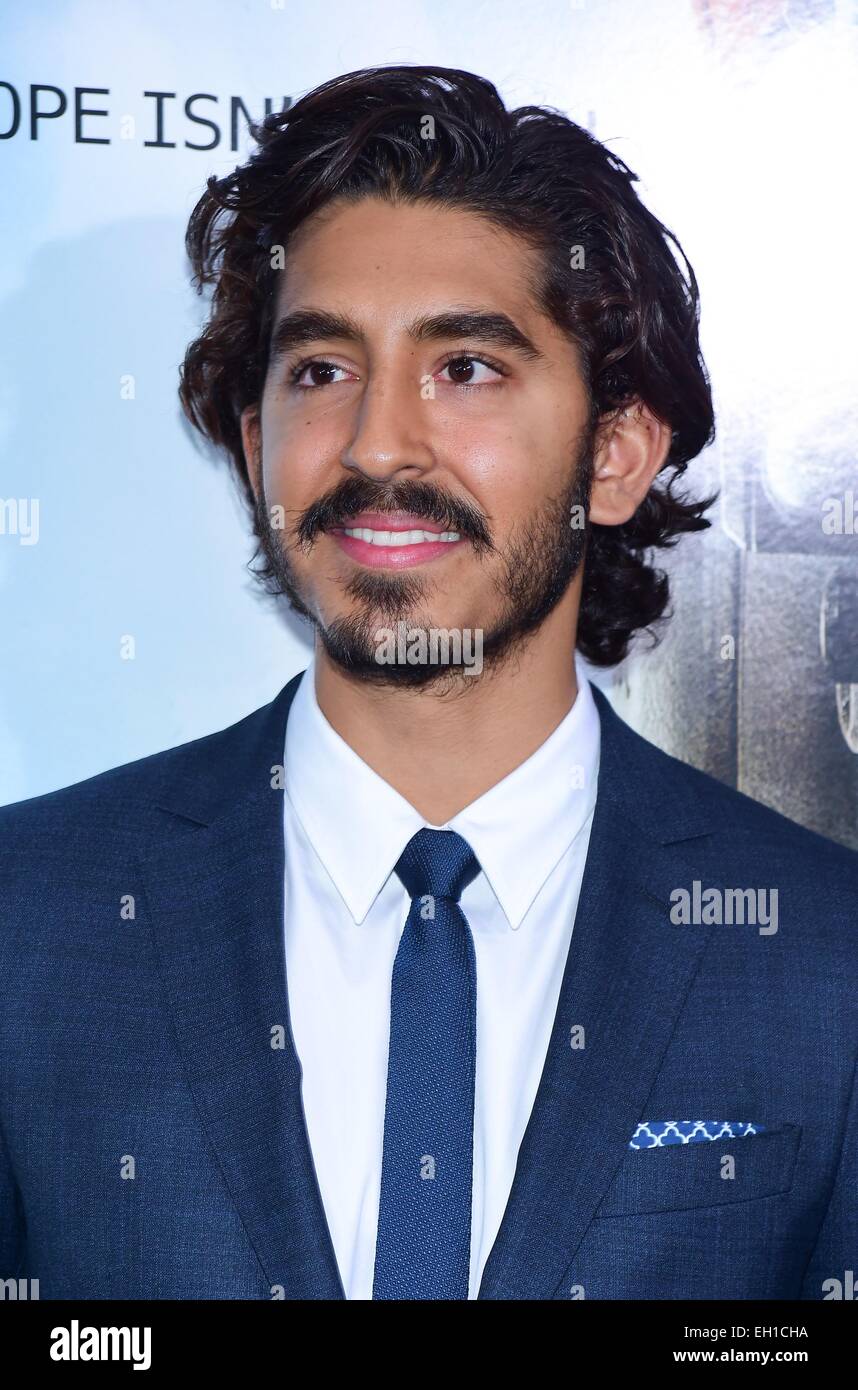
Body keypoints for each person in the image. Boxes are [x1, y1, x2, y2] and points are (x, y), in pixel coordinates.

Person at [1, 65, 855, 1302]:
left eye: (465, 368)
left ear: (612, 454)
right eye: (320, 371)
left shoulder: (825, 957)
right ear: (256, 449)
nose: (377, 442)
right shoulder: (31, 922)